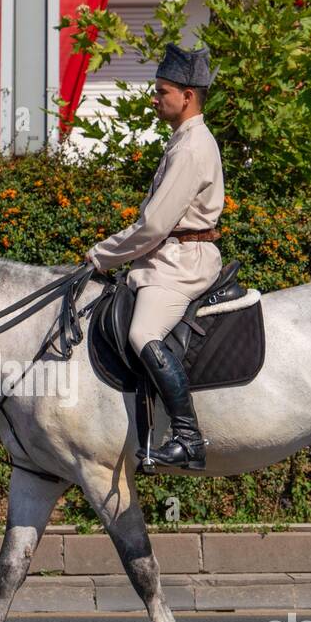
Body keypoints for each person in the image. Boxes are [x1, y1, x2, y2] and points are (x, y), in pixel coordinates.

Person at [84, 43, 223, 472]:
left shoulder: (191, 147)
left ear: (187, 96)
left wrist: (100, 256)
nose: (154, 98)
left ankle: (187, 437)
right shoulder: (183, 139)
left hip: (183, 260)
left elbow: (153, 226)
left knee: (143, 332)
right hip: (170, 256)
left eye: (161, 91)